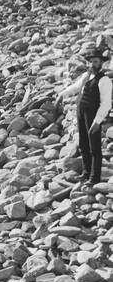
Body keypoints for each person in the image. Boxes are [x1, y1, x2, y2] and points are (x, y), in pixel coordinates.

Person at [61, 44, 112, 186]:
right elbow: (76, 87)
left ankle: (94, 177)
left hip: (93, 115)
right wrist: (62, 94)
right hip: (81, 111)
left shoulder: (104, 80)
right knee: (83, 143)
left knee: (94, 147)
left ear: (101, 63)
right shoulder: (86, 75)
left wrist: (97, 121)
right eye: (91, 62)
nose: (93, 64)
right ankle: (85, 172)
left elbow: (106, 104)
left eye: (96, 61)